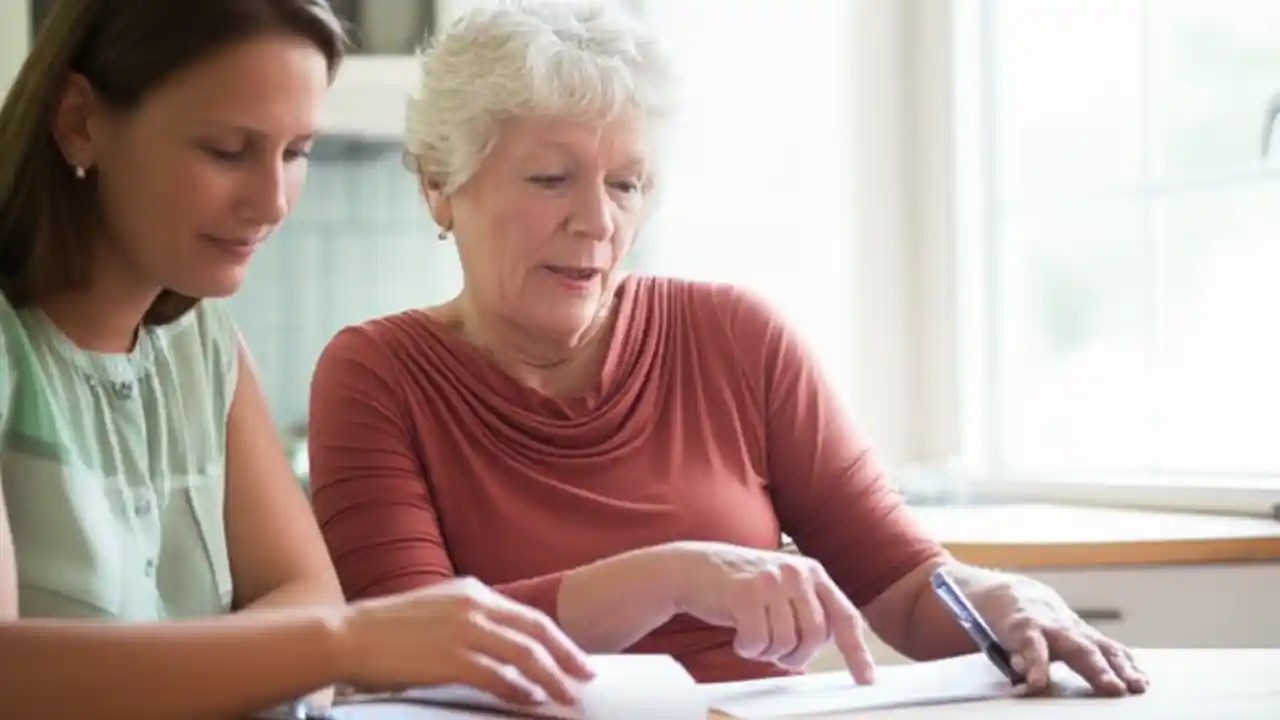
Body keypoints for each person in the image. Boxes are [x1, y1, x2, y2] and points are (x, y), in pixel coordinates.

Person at [307, 0, 1149, 698]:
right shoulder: (377, 374)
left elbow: (899, 583)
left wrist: (1005, 599)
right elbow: (406, 648)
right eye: (550, 178)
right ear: (438, 183)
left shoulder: (737, 338)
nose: (598, 222)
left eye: (626, 183)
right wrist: (672, 576)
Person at [0, 1, 593, 717]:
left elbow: (308, 595)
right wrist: (341, 644)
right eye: (226, 150)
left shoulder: (205, 345)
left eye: (296, 152)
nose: (274, 201)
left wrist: (323, 641)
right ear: (79, 121)